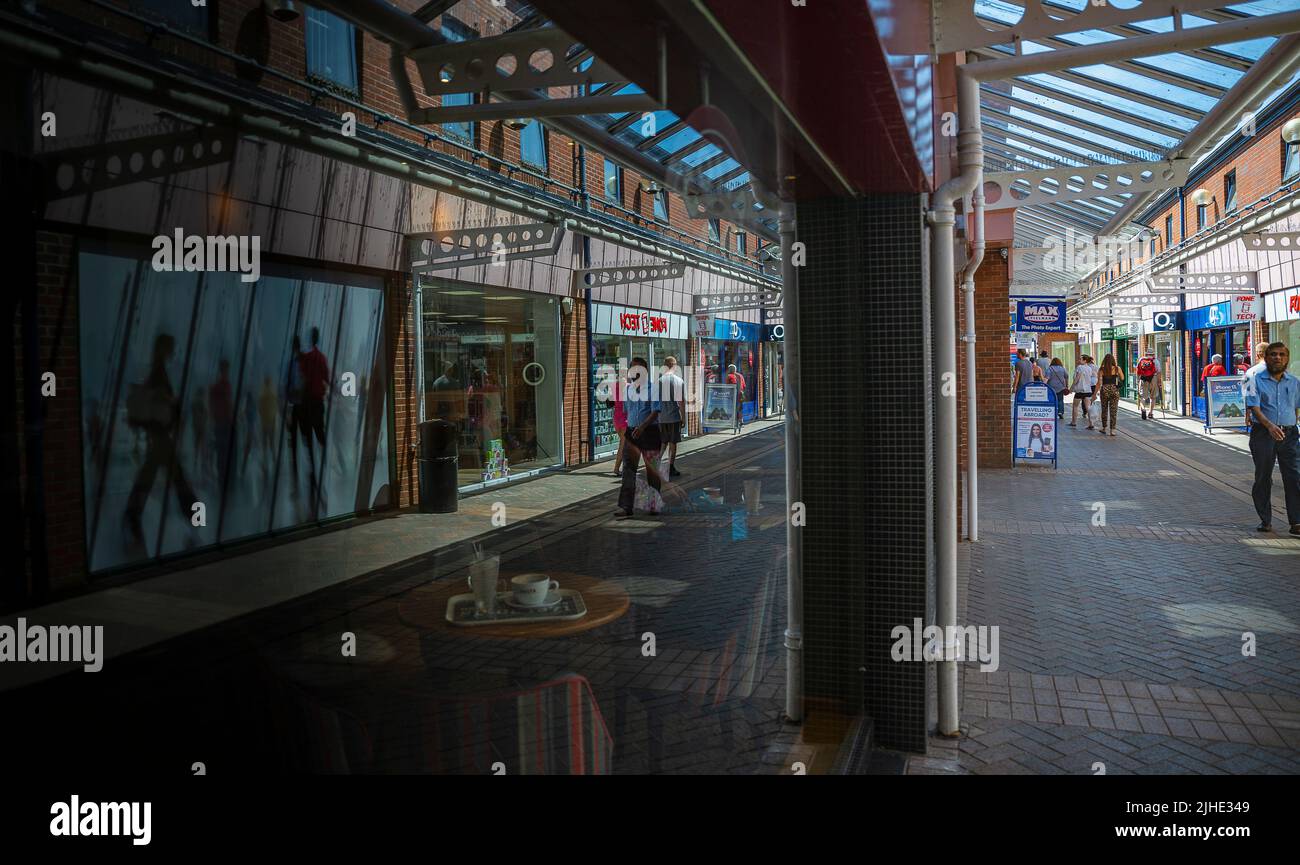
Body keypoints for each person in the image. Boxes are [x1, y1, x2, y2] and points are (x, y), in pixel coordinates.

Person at [124, 333, 199, 552]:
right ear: (164, 348)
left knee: (159, 476)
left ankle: (133, 515)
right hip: (160, 437)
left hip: (159, 436)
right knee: (175, 477)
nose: (173, 352)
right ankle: (193, 514)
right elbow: (157, 398)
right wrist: (170, 400)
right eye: (171, 347)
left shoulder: (158, 369)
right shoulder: (159, 371)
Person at [1244, 342, 1300, 535]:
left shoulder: (1294, 381)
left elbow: (1296, 407)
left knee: (1294, 477)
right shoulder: (1252, 377)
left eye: (1282, 355)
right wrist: (1270, 426)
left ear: (1287, 358)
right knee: (1263, 477)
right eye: (1273, 354)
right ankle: (1265, 520)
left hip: (1289, 434)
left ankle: (1296, 522)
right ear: (1265, 357)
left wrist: (1291, 425)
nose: (1277, 358)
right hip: (1263, 434)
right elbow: (1253, 407)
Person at [615, 357, 663, 519]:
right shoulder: (628, 389)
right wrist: (630, 429)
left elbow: (656, 410)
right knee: (628, 470)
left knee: (652, 470)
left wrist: (642, 427)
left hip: (649, 432)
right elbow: (627, 410)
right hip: (632, 433)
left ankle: (654, 504)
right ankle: (625, 506)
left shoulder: (653, 388)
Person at [657, 356, 687, 478]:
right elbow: (681, 402)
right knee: (673, 443)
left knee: (663, 443)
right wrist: (683, 418)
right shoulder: (678, 381)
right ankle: (670, 467)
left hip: (661, 417)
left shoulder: (658, 381)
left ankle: (657, 464)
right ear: (674, 366)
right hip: (674, 417)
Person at [1069, 354, 1098, 429]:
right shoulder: (1089, 368)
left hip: (1079, 390)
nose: (1079, 360)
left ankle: (1073, 422)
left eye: (1080, 359)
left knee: (1075, 406)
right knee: (1088, 407)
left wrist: (1071, 388)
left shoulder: (1079, 367)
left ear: (1085, 360)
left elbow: (1077, 378)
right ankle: (1091, 424)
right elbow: (1094, 376)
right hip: (1088, 390)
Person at [1098, 353, 1123, 436]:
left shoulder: (1101, 369)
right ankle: (1113, 430)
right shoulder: (1117, 368)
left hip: (1104, 390)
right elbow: (1122, 378)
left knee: (1104, 409)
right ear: (1113, 360)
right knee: (1113, 410)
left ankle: (1104, 428)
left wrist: (1095, 393)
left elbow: (1099, 382)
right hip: (1114, 390)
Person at [1136, 351, 1161, 420]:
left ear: (1146, 354)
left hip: (1143, 379)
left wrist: (1138, 381)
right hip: (1153, 379)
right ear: (1153, 354)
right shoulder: (1156, 361)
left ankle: (1143, 409)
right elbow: (1159, 372)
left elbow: (1137, 371)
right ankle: (1150, 413)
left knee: (1142, 397)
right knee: (1153, 397)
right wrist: (1159, 382)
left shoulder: (1141, 360)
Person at [726, 363, 747, 427]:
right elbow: (744, 386)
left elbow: (728, 386)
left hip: (732, 395)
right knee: (740, 408)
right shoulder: (740, 376)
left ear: (730, 369)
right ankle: (741, 421)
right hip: (740, 394)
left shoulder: (729, 376)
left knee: (731, 408)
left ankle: (733, 421)